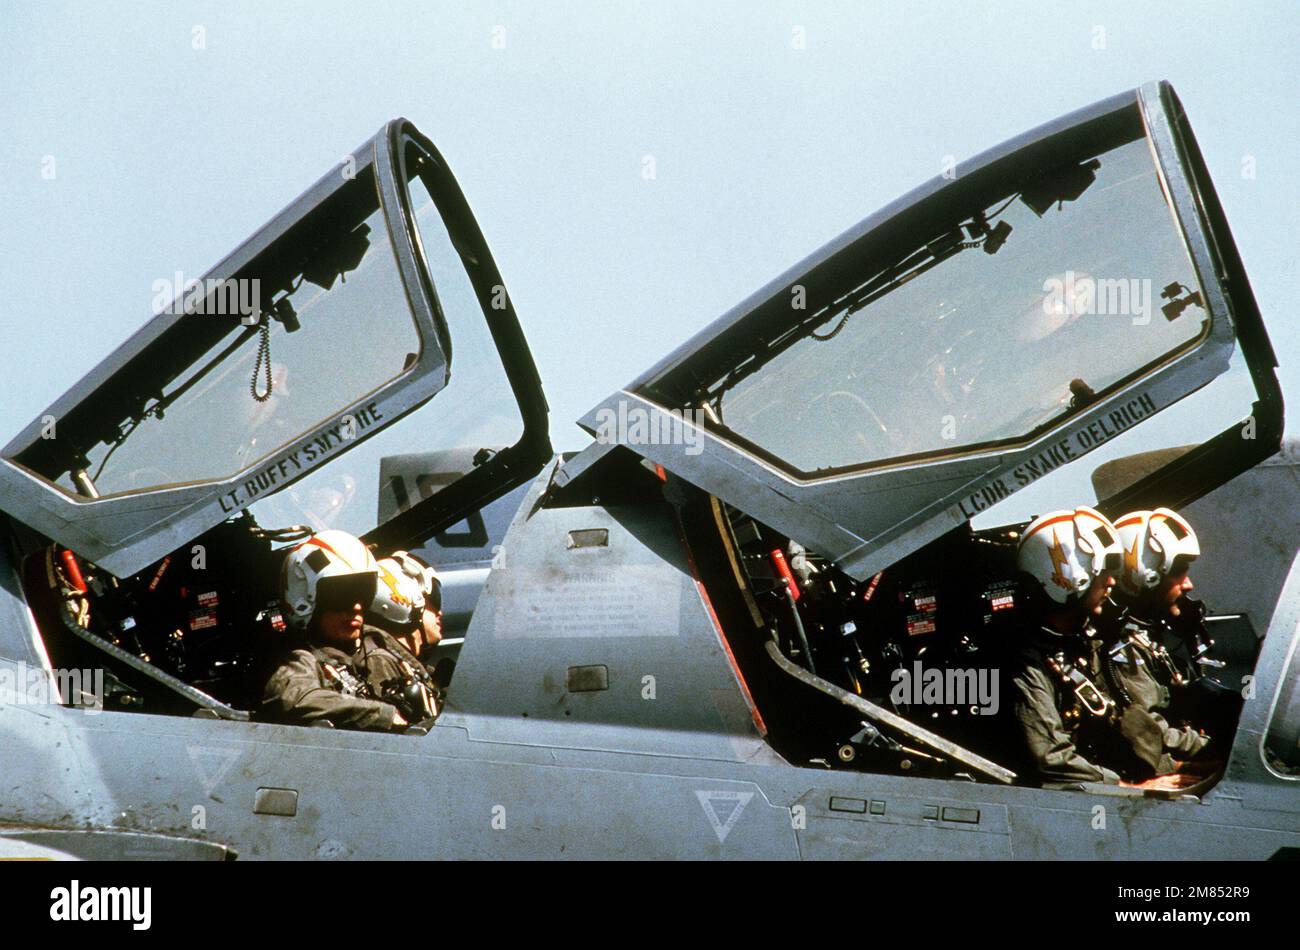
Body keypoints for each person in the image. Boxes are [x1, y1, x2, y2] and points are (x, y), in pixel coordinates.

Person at [1009, 506, 1175, 789]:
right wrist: (1131, 789)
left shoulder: (1083, 644)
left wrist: (1171, 768)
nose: (1112, 581)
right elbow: (1051, 759)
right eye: (1103, 573)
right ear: (1071, 576)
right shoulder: (1026, 662)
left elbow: (1120, 722)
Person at [261, 530, 437, 731]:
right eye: (342, 596)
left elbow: (428, 683)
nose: (357, 607)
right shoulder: (300, 659)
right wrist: (385, 716)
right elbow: (294, 698)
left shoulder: (375, 639)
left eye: (362, 593)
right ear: (307, 601)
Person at [1106, 508, 1215, 766]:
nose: (1188, 585)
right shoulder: (1122, 649)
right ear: (1146, 575)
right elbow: (1154, 733)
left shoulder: (1156, 634)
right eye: (1178, 572)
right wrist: (1217, 746)